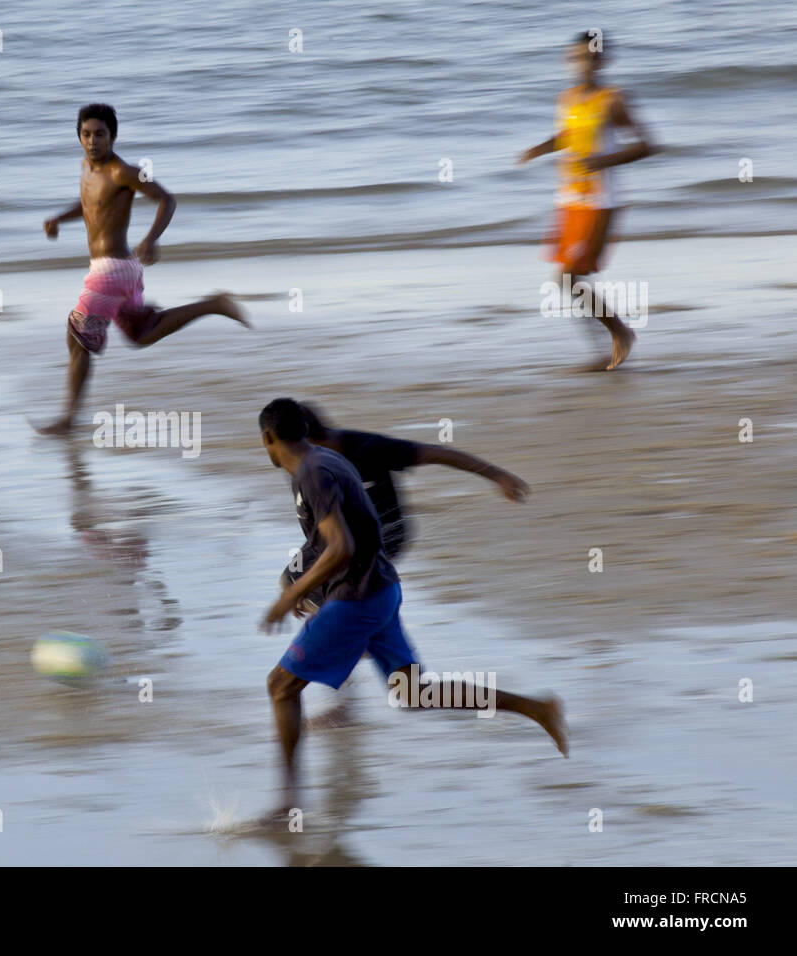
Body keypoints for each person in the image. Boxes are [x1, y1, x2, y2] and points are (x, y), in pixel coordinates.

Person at [257, 398, 566, 815]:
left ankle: (287, 806)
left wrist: (290, 597)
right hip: (382, 590)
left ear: (268, 439)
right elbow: (336, 541)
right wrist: (295, 580)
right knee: (413, 692)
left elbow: (340, 548)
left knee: (280, 687)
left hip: (358, 598)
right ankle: (535, 707)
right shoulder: (326, 459)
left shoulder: (313, 473)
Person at [36, 104, 248, 434]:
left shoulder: (126, 172)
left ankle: (68, 417)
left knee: (76, 337)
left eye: (101, 135)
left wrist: (151, 238)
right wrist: (59, 220)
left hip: (111, 271)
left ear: (113, 136)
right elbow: (90, 202)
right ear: (78, 137)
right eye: (87, 134)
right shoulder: (86, 168)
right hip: (123, 272)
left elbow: (167, 198)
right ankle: (214, 304)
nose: (93, 141)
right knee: (142, 334)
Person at [280, 401, 530, 609]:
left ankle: (352, 631)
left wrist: (499, 476)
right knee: (291, 580)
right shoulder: (302, 464)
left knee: (341, 588)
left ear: (311, 441)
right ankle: (349, 635)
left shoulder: (367, 448)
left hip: (386, 531)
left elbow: (436, 453)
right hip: (338, 531)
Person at [518, 31, 656, 371]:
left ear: (603, 61)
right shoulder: (566, 99)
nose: (583, 64)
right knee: (570, 280)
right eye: (577, 58)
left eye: (591, 58)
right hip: (569, 200)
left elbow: (647, 145)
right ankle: (605, 349)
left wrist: (603, 162)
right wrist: (541, 148)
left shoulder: (614, 99)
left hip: (600, 201)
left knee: (565, 279)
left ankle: (620, 334)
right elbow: (568, 135)